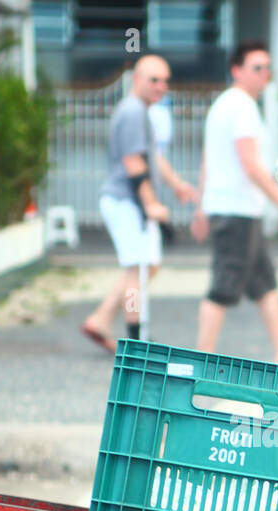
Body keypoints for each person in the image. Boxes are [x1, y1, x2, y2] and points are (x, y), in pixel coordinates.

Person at [191, 41, 278, 363]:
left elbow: (208, 160)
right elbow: (250, 164)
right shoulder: (240, 107)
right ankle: (202, 360)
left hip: (238, 209)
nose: (265, 74)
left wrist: (201, 207)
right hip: (236, 210)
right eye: (257, 67)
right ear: (236, 71)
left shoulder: (226, 105)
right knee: (222, 288)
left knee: (264, 283)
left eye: (268, 67)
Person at [82, 54, 198, 352]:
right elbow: (134, 162)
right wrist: (150, 204)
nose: (161, 86)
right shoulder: (133, 111)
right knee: (137, 269)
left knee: (147, 265)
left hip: (130, 203)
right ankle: (135, 340)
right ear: (136, 79)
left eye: (165, 80)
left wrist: (177, 185)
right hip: (126, 201)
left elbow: (152, 157)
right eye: (153, 79)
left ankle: (101, 319)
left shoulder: (141, 111)